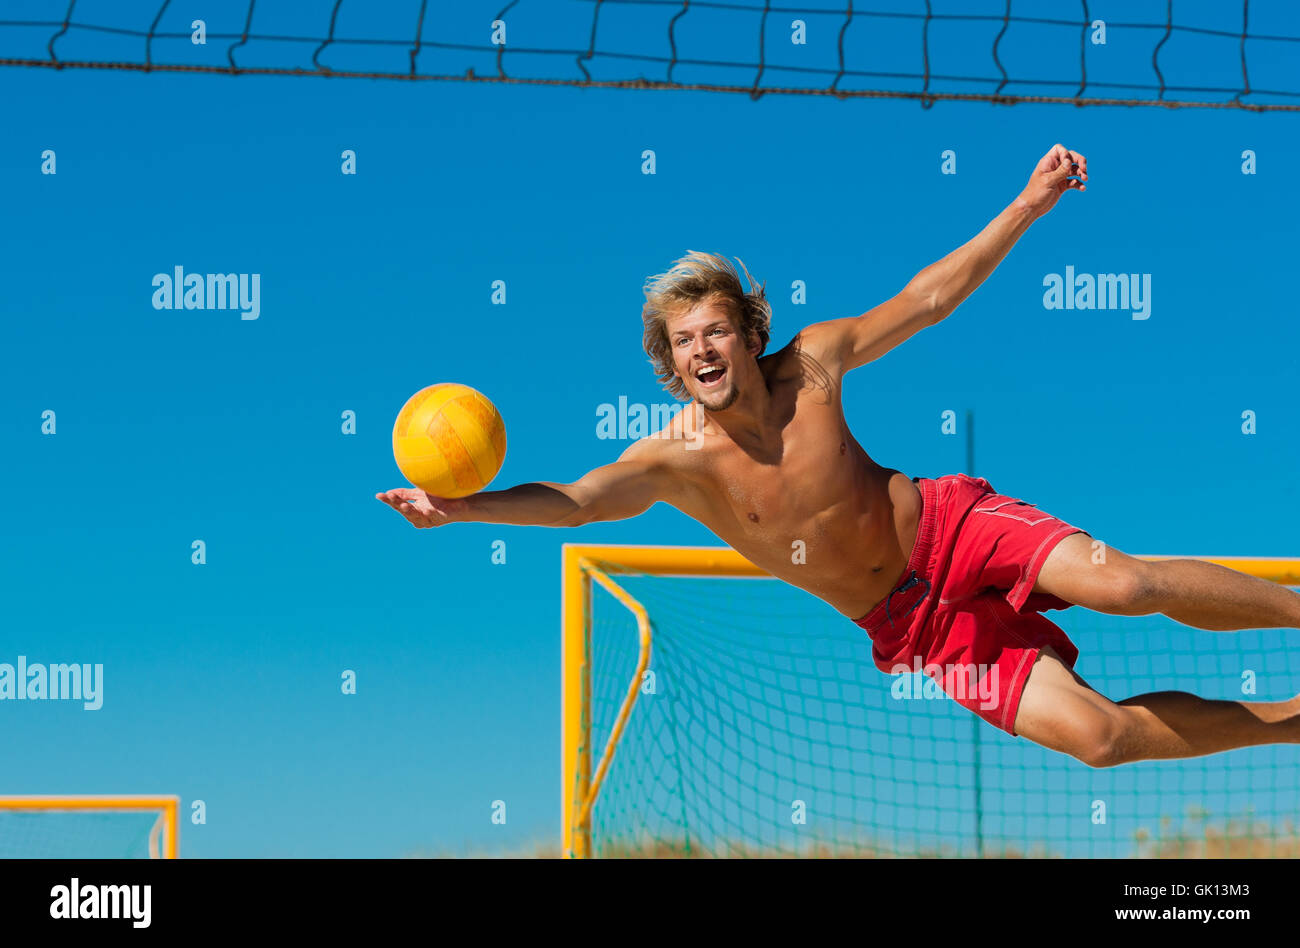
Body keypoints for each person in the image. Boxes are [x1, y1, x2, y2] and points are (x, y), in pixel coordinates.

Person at [378, 144, 1300, 767]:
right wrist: (460, 509)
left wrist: (1028, 203)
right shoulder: (677, 459)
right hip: (920, 630)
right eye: (683, 340)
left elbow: (929, 298)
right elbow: (576, 501)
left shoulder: (813, 364)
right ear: (669, 364)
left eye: (717, 330)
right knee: (1097, 737)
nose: (704, 350)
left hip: (957, 529)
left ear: (748, 334)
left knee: (1126, 587)